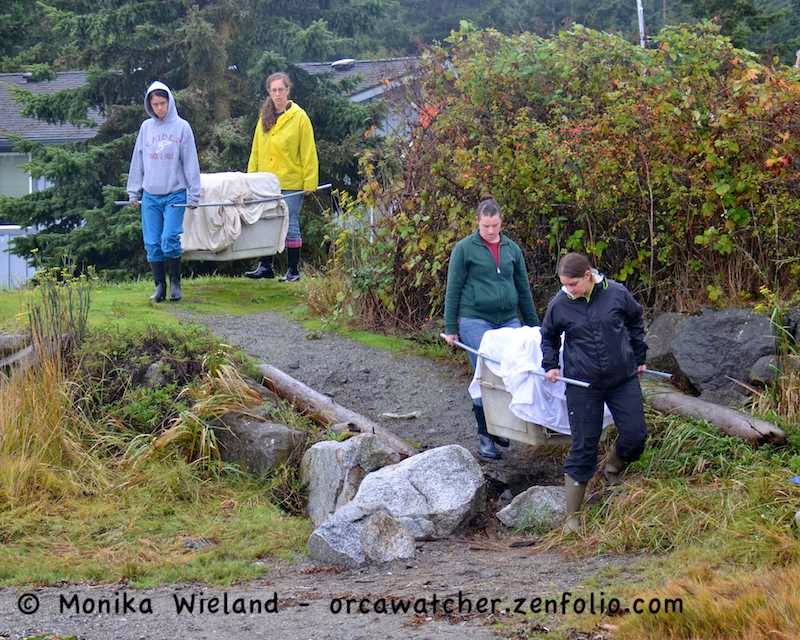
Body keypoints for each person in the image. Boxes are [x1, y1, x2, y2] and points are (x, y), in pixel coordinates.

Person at [540, 252, 648, 533]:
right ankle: (572, 518)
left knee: (636, 434)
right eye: (564, 284)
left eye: (573, 284)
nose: (568, 290)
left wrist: (639, 356)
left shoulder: (617, 293)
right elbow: (548, 335)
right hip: (582, 384)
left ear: (588, 275)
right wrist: (550, 365)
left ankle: (612, 470)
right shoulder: (560, 303)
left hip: (622, 378)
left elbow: (636, 321)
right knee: (583, 445)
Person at [443, 197, 540, 460]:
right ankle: (486, 437)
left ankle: (502, 426)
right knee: (486, 373)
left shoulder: (512, 250)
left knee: (514, 370)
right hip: (474, 318)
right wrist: (451, 327)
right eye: (486, 226)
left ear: (501, 222)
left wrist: (535, 327)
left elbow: (523, 289)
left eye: (495, 225)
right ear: (478, 222)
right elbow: (453, 289)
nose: (491, 231)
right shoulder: (465, 249)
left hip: (507, 318)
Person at [127, 81, 201, 303]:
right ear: (150, 105)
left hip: (175, 193)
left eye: (162, 103)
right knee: (152, 242)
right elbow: (137, 160)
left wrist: (194, 194)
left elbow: (190, 162)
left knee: (169, 238)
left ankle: (176, 284)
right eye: (155, 104)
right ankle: (160, 286)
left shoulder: (182, 127)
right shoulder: (146, 128)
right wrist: (134, 191)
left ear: (170, 102)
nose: (159, 108)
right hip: (150, 195)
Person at [244, 72, 318, 282]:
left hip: (291, 182)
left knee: (290, 224)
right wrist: (251, 179)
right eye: (273, 90)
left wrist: (310, 182)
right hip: (265, 182)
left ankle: (293, 271)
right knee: (266, 221)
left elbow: (308, 151)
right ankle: (265, 266)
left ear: (288, 91)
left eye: (281, 90)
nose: (277, 94)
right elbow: (256, 150)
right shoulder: (264, 118)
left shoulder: (299, 117)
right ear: (269, 92)